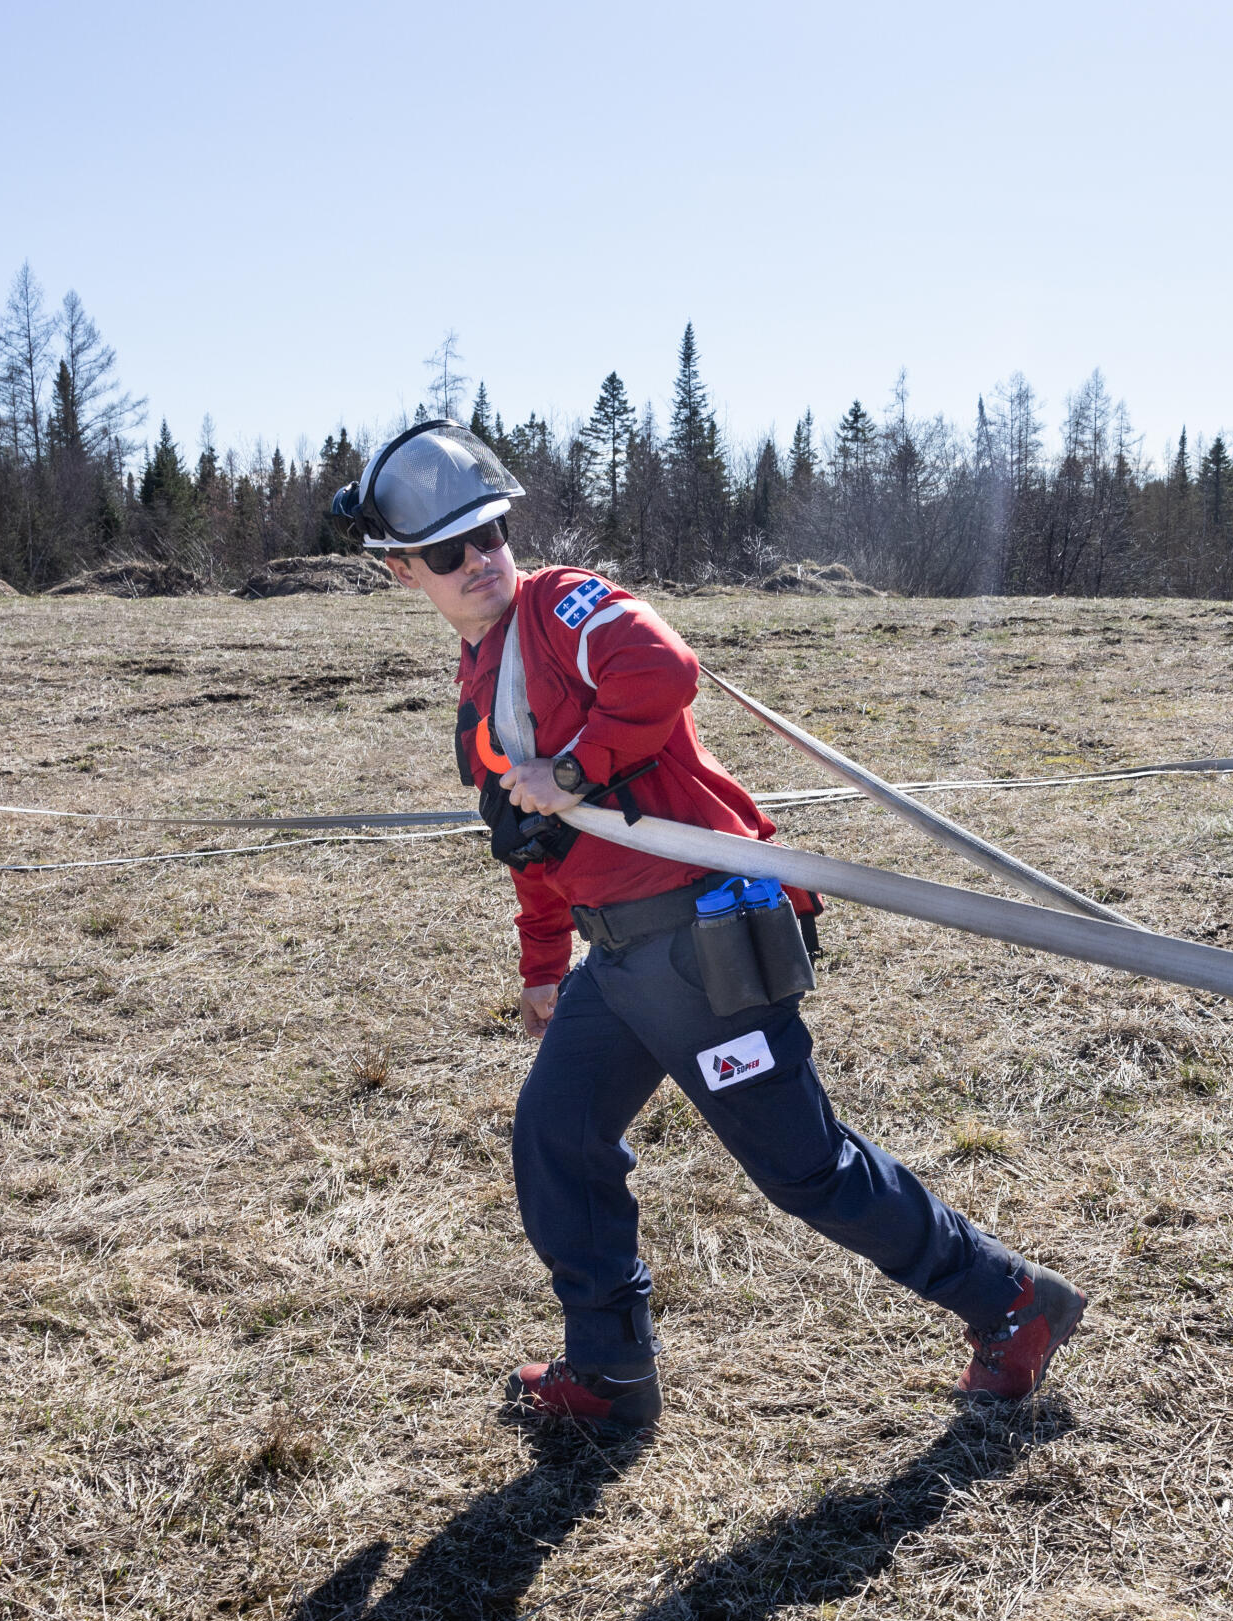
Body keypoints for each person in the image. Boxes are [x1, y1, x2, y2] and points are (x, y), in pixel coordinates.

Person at [333, 420, 1082, 1426]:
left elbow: (662, 671)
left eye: (490, 536)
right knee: (557, 1137)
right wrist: (545, 965)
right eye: (445, 552)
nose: (477, 561)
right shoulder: (479, 685)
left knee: (803, 1169)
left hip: (697, 943)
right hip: (616, 958)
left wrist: (576, 768)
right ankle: (609, 1373)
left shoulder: (564, 604)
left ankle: (1010, 1302)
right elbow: (533, 843)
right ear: (398, 573)